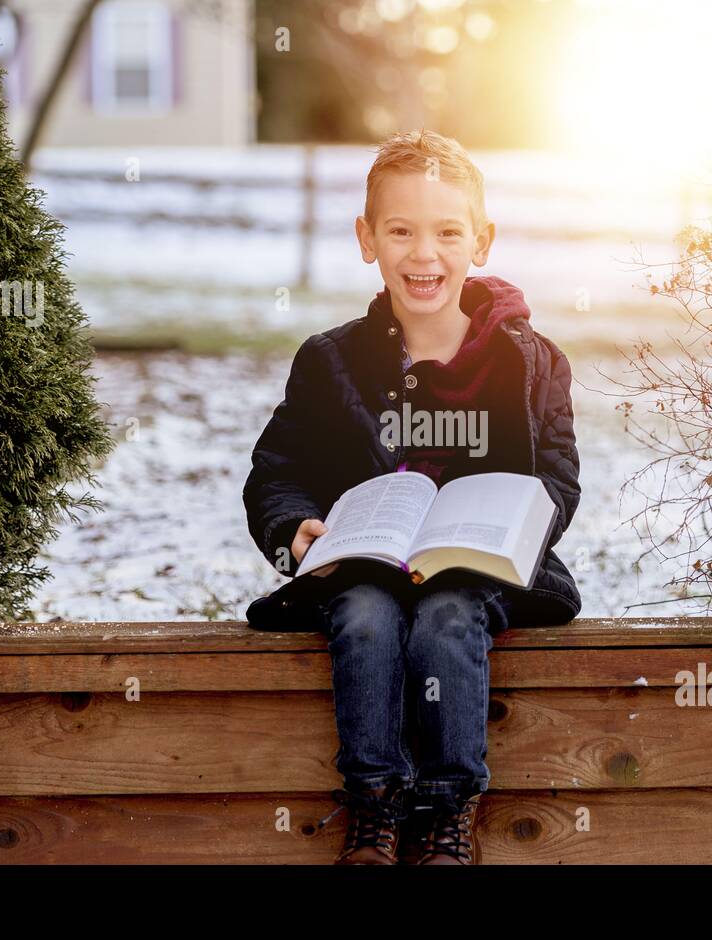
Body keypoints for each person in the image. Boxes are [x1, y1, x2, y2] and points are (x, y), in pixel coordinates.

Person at [243, 129, 581, 865]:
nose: (424, 254)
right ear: (367, 239)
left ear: (481, 241)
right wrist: (292, 525)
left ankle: (448, 808)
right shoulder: (330, 360)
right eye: (400, 231)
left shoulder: (531, 364)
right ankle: (374, 804)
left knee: (446, 614)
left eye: (447, 232)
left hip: (480, 572)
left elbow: (557, 480)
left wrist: (514, 527)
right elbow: (276, 470)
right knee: (367, 615)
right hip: (367, 565)